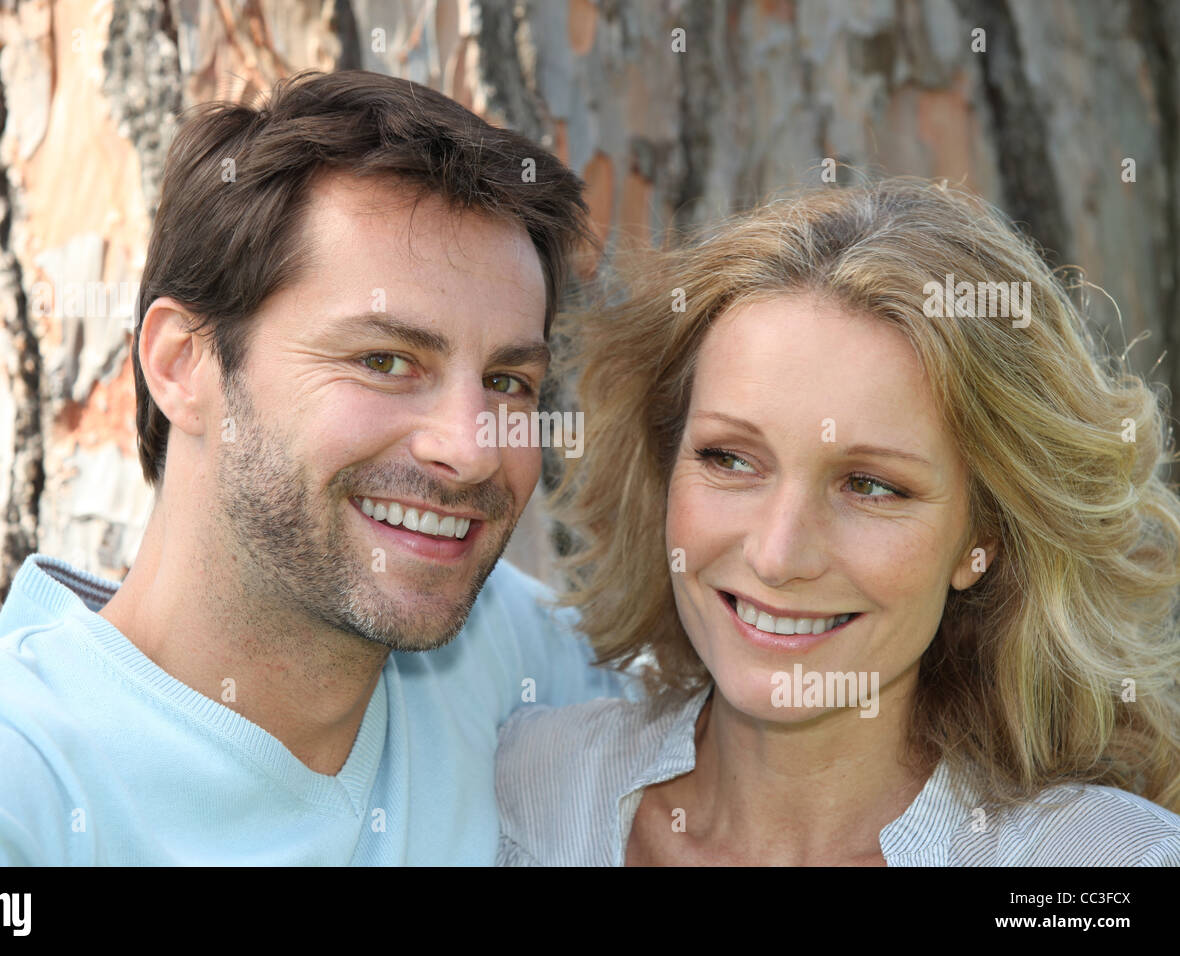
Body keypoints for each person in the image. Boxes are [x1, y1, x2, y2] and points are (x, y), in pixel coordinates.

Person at [0, 69, 633, 865]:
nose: (472, 446)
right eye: (385, 359)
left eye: (509, 382)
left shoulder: (499, 655)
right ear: (182, 365)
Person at [496, 177, 1180, 866]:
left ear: (982, 538)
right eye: (730, 459)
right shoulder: (525, 796)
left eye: (870, 486)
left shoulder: (1104, 866)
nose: (777, 554)